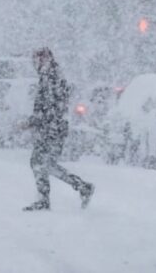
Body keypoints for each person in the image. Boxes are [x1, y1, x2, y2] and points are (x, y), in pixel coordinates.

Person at [22, 47, 94, 211]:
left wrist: (32, 121)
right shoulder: (49, 76)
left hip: (52, 129)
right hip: (51, 128)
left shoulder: (51, 78)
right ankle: (80, 187)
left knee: (41, 163)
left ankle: (50, 197)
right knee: (43, 163)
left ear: (45, 59)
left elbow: (50, 108)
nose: (35, 63)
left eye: (37, 59)